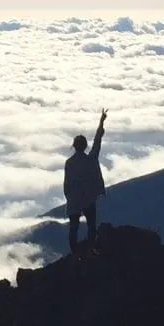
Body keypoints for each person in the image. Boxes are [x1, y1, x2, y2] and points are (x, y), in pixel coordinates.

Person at [63, 109, 107, 256]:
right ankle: (90, 249)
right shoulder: (91, 159)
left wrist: (69, 197)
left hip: (74, 199)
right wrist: (101, 123)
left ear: (74, 146)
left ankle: (75, 253)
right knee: (91, 225)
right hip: (88, 197)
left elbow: (67, 184)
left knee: (73, 228)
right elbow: (97, 142)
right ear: (84, 146)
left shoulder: (69, 163)